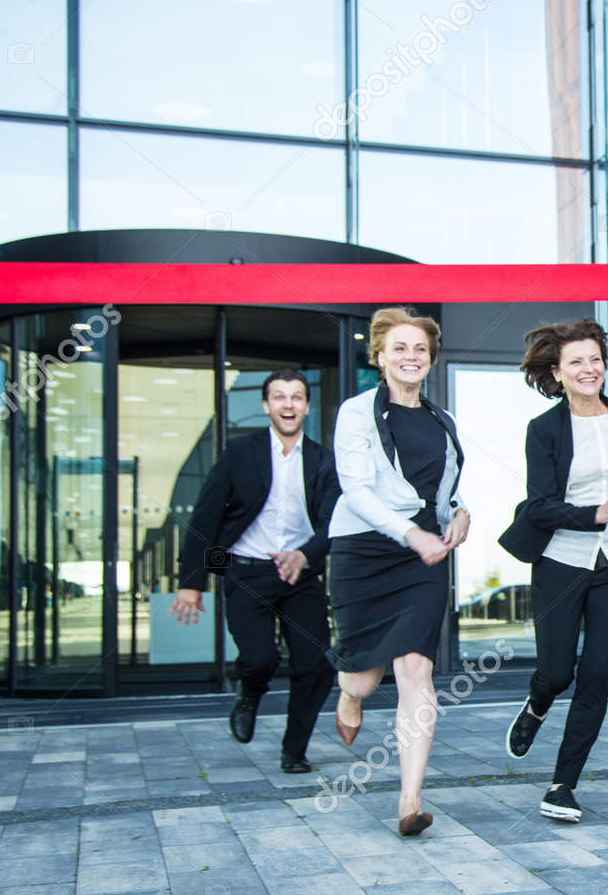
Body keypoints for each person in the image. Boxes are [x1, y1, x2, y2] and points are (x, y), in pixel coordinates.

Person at [497, 318, 608, 823]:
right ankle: (538, 702)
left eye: (595, 359)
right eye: (576, 362)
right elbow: (540, 505)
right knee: (558, 671)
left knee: (597, 676)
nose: (589, 369)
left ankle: (563, 784)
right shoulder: (544, 429)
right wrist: (593, 515)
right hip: (562, 560)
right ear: (557, 373)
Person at [328, 307, 469, 837]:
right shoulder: (356, 412)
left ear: (430, 359)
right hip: (365, 548)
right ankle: (349, 691)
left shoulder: (442, 421)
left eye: (420, 349)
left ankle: (409, 801)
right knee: (363, 677)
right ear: (381, 356)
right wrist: (409, 533)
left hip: (424, 556)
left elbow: (445, 491)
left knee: (416, 670)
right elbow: (357, 490)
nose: (411, 357)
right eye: (400, 348)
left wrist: (461, 514)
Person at [172, 369, 340, 775]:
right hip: (246, 572)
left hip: (300, 575)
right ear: (266, 405)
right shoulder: (239, 453)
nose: (288, 404)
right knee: (260, 657)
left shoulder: (323, 460)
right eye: (279, 397)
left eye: (296, 397)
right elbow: (205, 518)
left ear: (306, 406)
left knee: (315, 664)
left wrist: (304, 554)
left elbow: (335, 520)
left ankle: (294, 750)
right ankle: (249, 691)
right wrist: (190, 584)